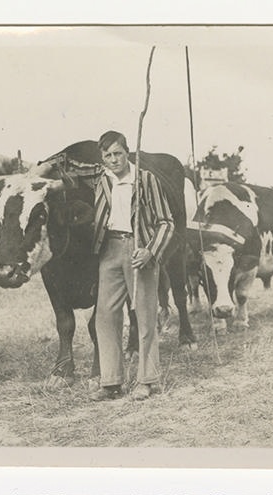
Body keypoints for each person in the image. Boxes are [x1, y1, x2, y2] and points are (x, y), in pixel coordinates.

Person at [90, 130, 174, 401]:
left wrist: (150, 251)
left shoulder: (146, 180)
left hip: (139, 250)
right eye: (107, 155)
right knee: (105, 316)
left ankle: (146, 380)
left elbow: (166, 222)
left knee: (145, 316)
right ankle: (111, 381)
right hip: (109, 250)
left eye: (118, 153)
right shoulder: (102, 180)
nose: (113, 160)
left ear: (127, 153)